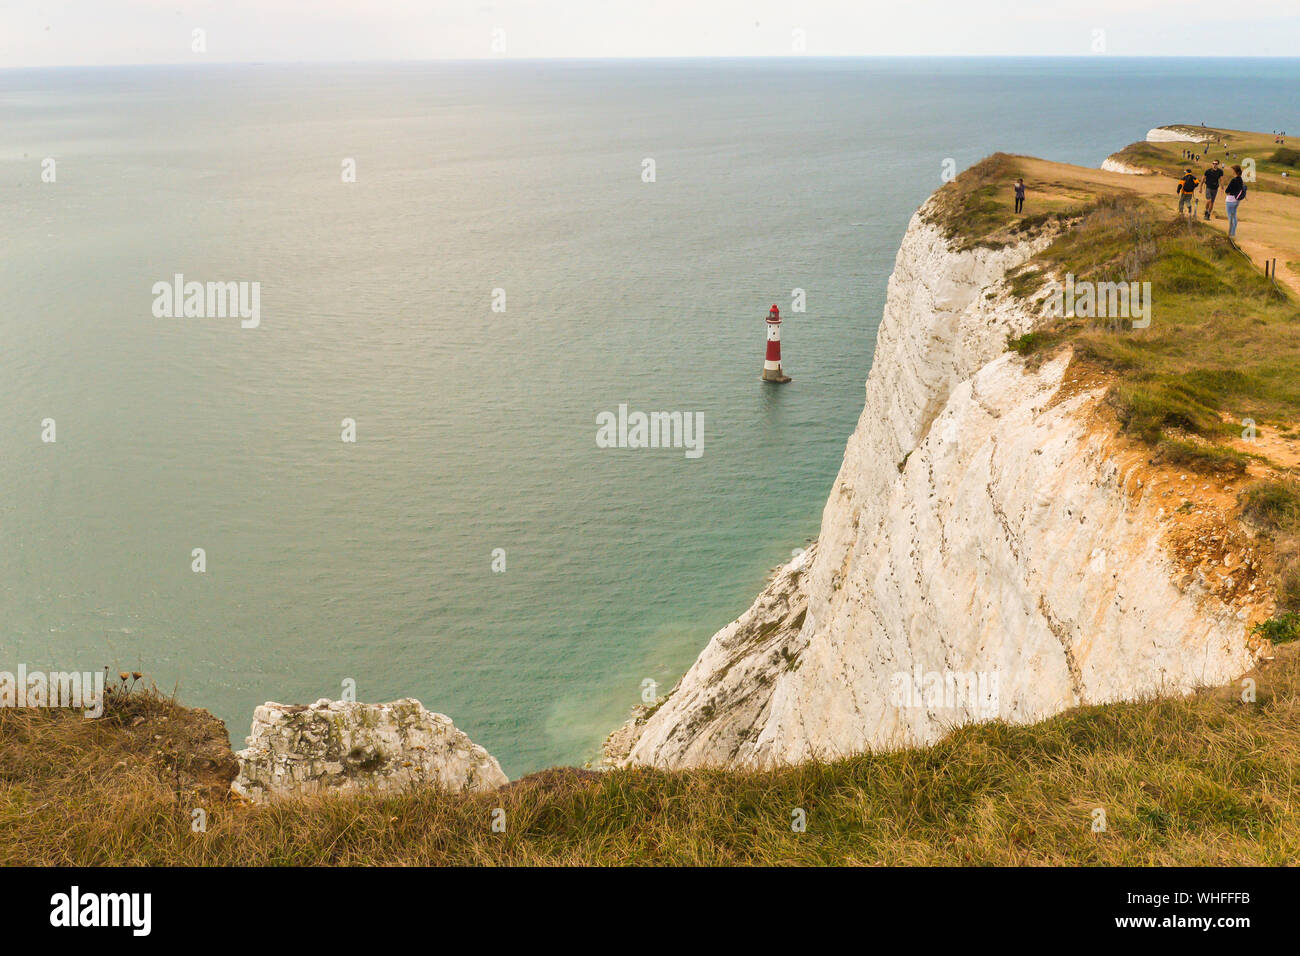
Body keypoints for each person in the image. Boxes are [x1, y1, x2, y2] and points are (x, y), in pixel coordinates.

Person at [1224, 164, 1247, 238]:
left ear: (1235, 171)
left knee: (1231, 217)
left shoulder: (1234, 180)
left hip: (1230, 200)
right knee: (1234, 217)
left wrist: (1229, 192)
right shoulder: (1240, 179)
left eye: (1232, 170)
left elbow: (1227, 191)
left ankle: (1231, 234)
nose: (1231, 171)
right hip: (1237, 200)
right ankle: (1233, 233)